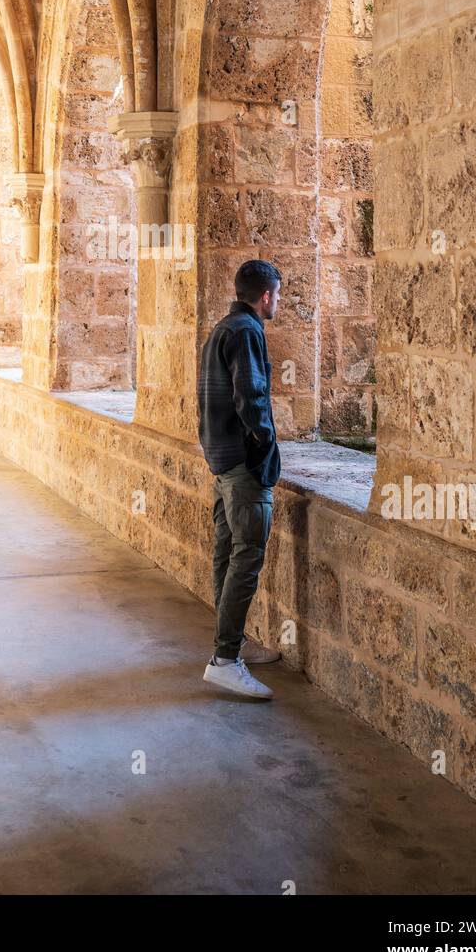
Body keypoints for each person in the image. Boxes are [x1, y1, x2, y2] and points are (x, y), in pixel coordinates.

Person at [197, 259, 282, 699]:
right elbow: (251, 397)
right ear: (266, 295)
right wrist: (265, 443)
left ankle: (234, 643)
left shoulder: (223, 328)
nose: (278, 303)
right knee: (246, 557)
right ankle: (225, 659)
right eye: (278, 296)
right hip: (243, 466)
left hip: (222, 459)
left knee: (227, 553)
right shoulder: (247, 331)